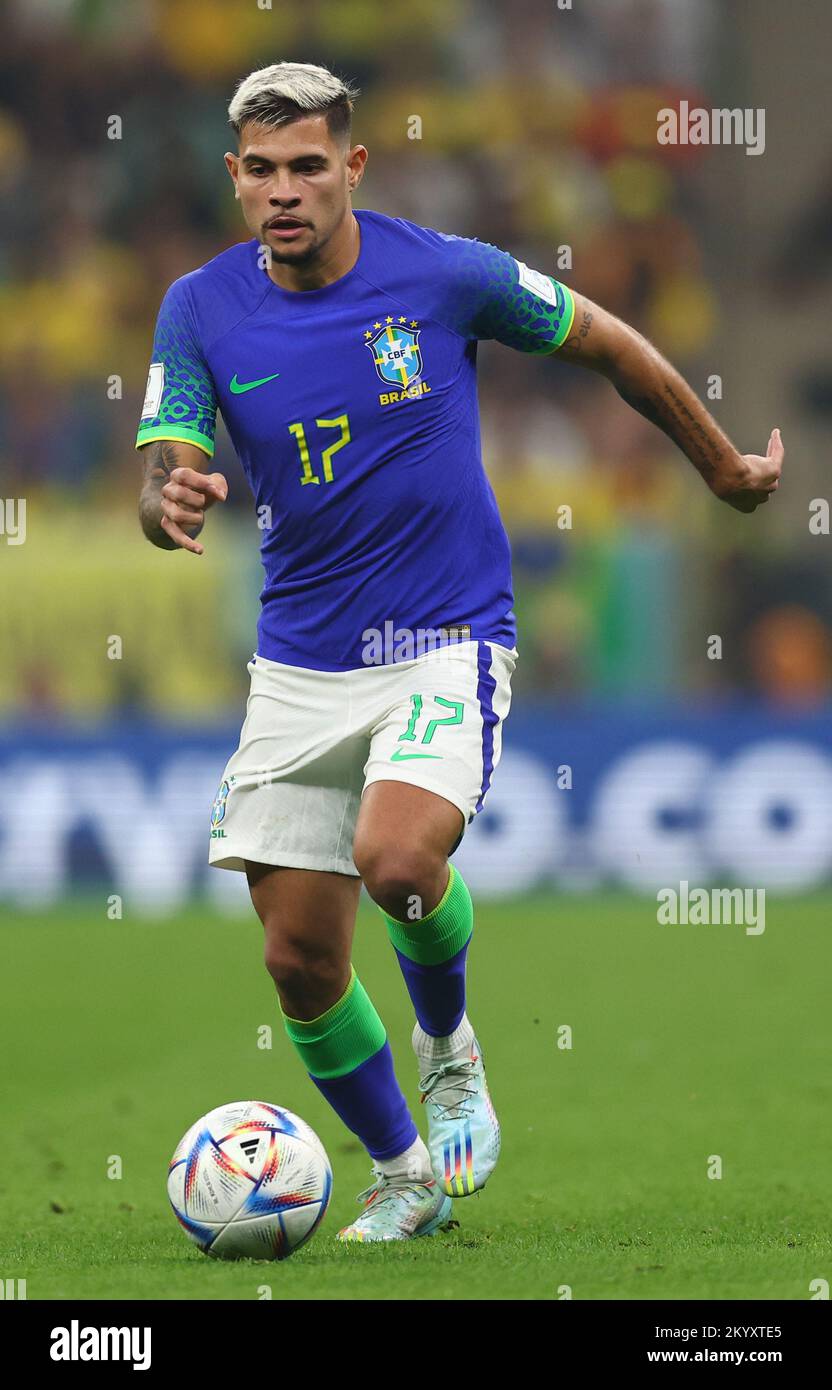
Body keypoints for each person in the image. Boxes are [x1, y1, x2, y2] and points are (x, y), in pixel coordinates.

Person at [137, 61, 784, 1242]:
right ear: (235, 180)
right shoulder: (200, 304)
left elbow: (609, 343)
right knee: (296, 958)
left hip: (444, 636)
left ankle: (447, 1046)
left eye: (308, 167)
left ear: (352, 167)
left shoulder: (440, 271)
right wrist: (165, 496)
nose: (286, 191)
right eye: (262, 172)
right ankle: (403, 1176)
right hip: (297, 659)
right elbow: (162, 455)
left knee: (395, 860)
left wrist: (722, 464)